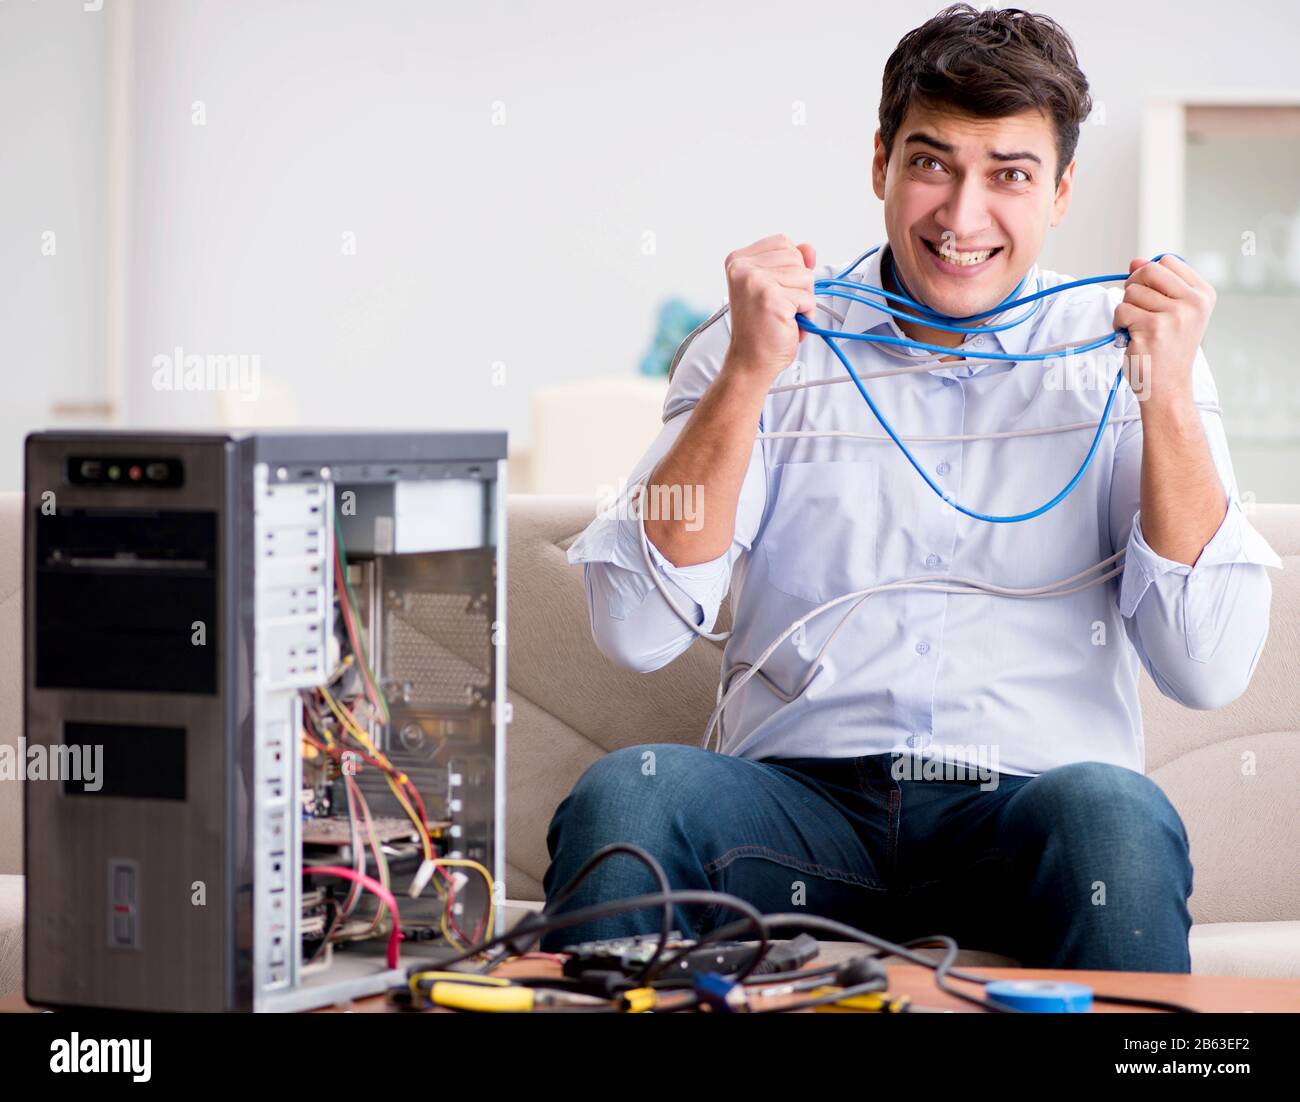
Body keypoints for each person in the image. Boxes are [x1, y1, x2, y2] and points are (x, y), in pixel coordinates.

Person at [538, 3, 1283, 970]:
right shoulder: (758, 341)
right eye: (932, 164)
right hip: (798, 817)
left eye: (1009, 176)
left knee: (1113, 812)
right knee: (629, 791)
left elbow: (1207, 668)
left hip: (1028, 816)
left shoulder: (1133, 358)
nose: (962, 218)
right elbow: (636, 631)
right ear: (881, 162)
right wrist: (746, 377)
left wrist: (1169, 396)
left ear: (1060, 194)